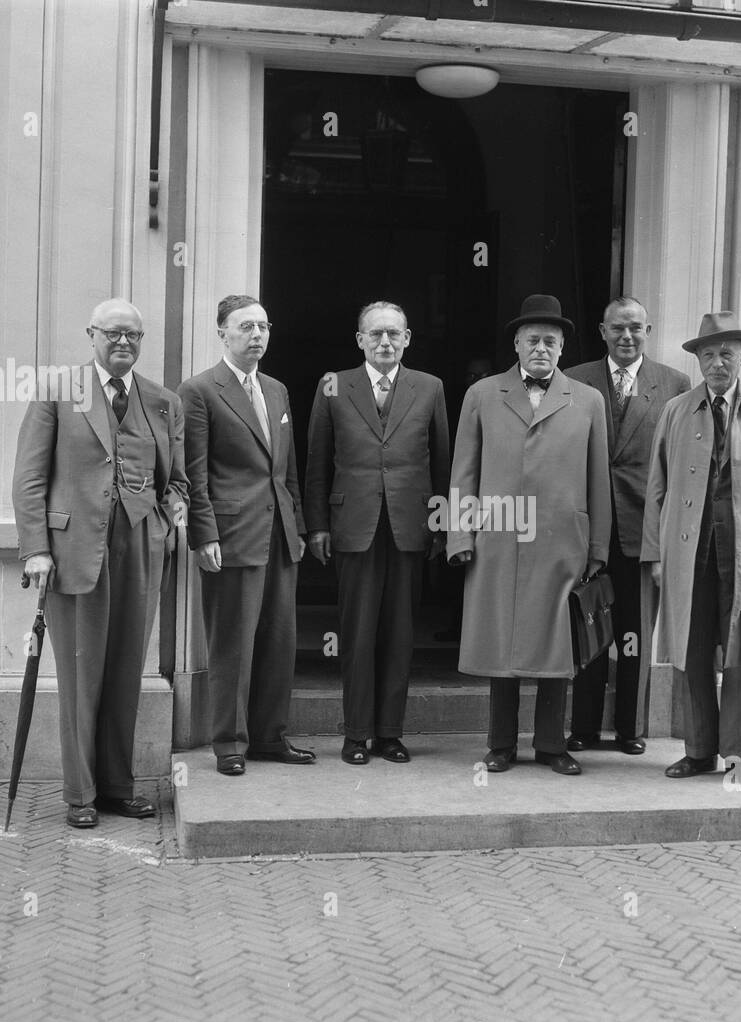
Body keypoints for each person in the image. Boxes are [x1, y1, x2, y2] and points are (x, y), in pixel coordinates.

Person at [12, 298, 188, 828]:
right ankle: (80, 796)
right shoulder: (57, 391)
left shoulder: (161, 401)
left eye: (133, 336)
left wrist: (169, 514)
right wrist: (36, 548)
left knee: (126, 673)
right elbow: (29, 478)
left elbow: (175, 478)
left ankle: (117, 787)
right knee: (81, 674)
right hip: (74, 553)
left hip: (139, 547)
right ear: (92, 334)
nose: (124, 344)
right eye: (113, 334)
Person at [446, 294, 612, 776]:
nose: (541, 348)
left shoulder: (588, 400)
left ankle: (549, 743)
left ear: (562, 349)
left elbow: (598, 478)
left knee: (555, 646)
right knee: (503, 640)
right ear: (517, 344)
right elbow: (464, 473)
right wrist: (460, 537)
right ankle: (500, 743)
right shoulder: (482, 394)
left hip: (563, 541)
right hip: (497, 537)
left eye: (551, 342)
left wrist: (597, 546)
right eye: (533, 340)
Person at [640, 311, 741, 781]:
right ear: (697, 360)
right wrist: (655, 555)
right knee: (693, 654)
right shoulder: (676, 411)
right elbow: (657, 488)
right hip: (689, 553)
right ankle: (698, 751)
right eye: (708, 354)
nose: (717, 363)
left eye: (727, 354)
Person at [304, 301, 450, 765]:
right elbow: (316, 463)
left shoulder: (430, 387)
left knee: (400, 633)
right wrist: (318, 526)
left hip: (410, 525)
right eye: (376, 334)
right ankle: (355, 735)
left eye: (394, 334)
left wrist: (443, 524)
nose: (385, 342)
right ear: (360, 340)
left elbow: (443, 461)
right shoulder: (333, 386)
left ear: (407, 338)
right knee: (357, 631)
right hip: (354, 525)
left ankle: (390, 734)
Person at [178, 296, 310, 777]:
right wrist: (203, 534)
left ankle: (270, 736)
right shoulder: (200, 390)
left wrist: (296, 525)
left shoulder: (276, 390)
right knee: (233, 642)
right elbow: (194, 471)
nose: (257, 335)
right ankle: (230, 743)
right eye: (245, 327)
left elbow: (287, 469)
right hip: (231, 535)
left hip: (279, 535)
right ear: (222, 334)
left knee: (279, 638)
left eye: (263, 326)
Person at [564, 297, 690, 757]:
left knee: (635, 632)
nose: (626, 337)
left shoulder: (675, 384)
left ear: (648, 330)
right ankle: (583, 728)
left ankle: (630, 727)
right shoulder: (576, 380)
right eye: (617, 328)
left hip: (643, 529)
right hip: (588, 530)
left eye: (635, 328)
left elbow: (679, 464)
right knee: (588, 626)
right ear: (601, 331)